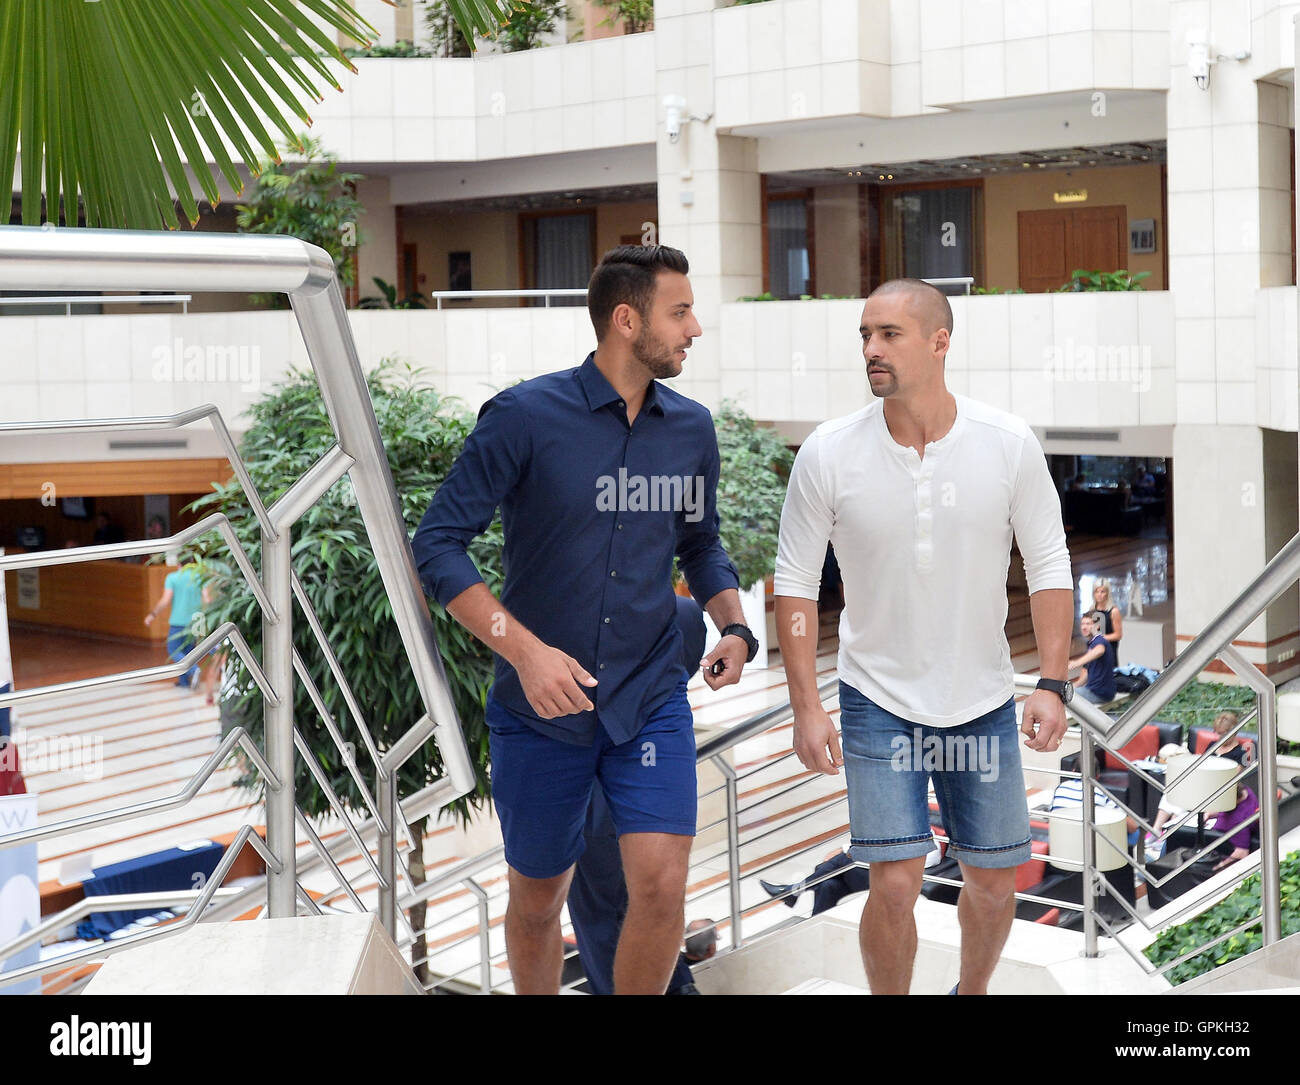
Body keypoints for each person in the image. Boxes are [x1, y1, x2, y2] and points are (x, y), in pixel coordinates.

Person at [411, 244, 754, 996]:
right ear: (626, 320)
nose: (695, 327)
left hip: (650, 698)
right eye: (680, 311)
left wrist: (734, 625)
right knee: (539, 901)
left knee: (661, 885)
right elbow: (436, 544)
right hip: (542, 713)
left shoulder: (691, 431)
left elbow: (700, 543)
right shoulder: (525, 417)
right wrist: (527, 653)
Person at [774, 277, 1074, 996]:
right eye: (865, 335)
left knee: (995, 879)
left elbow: (1050, 561)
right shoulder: (828, 452)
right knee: (897, 879)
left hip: (980, 697)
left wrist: (1054, 682)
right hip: (877, 699)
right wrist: (806, 705)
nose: (871, 349)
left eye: (889, 335)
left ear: (940, 342)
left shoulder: (1006, 443)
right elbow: (792, 579)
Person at [565, 594, 707, 997]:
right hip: (652, 770)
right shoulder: (681, 613)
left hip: (594, 785)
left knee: (605, 911)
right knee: (653, 901)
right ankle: (678, 986)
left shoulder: (571, 613)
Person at [144, 563, 203, 688]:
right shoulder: (199, 577)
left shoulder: (173, 577)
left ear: (178, 563)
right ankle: (184, 682)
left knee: (173, 650)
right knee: (187, 653)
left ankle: (194, 670)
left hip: (178, 621)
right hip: (196, 621)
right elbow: (207, 599)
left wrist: (153, 615)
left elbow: (166, 600)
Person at [1068, 610, 1117, 705]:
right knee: (1064, 692)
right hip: (1093, 691)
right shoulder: (1091, 644)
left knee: (1061, 696)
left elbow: (1099, 651)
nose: (1084, 627)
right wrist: (1073, 686)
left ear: (1097, 626)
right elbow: (1085, 674)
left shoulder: (1099, 640)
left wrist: (1076, 663)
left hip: (1099, 694)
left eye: (1088, 624)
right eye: (1082, 624)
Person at [1090, 577, 1123, 662]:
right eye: (1097, 591)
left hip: (1109, 650)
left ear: (1107, 593)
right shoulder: (1092, 610)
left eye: (1102, 592)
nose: (1099, 594)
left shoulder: (1113, 611)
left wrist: (1101, 638)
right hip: (1095, 649)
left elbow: (1118, 635)